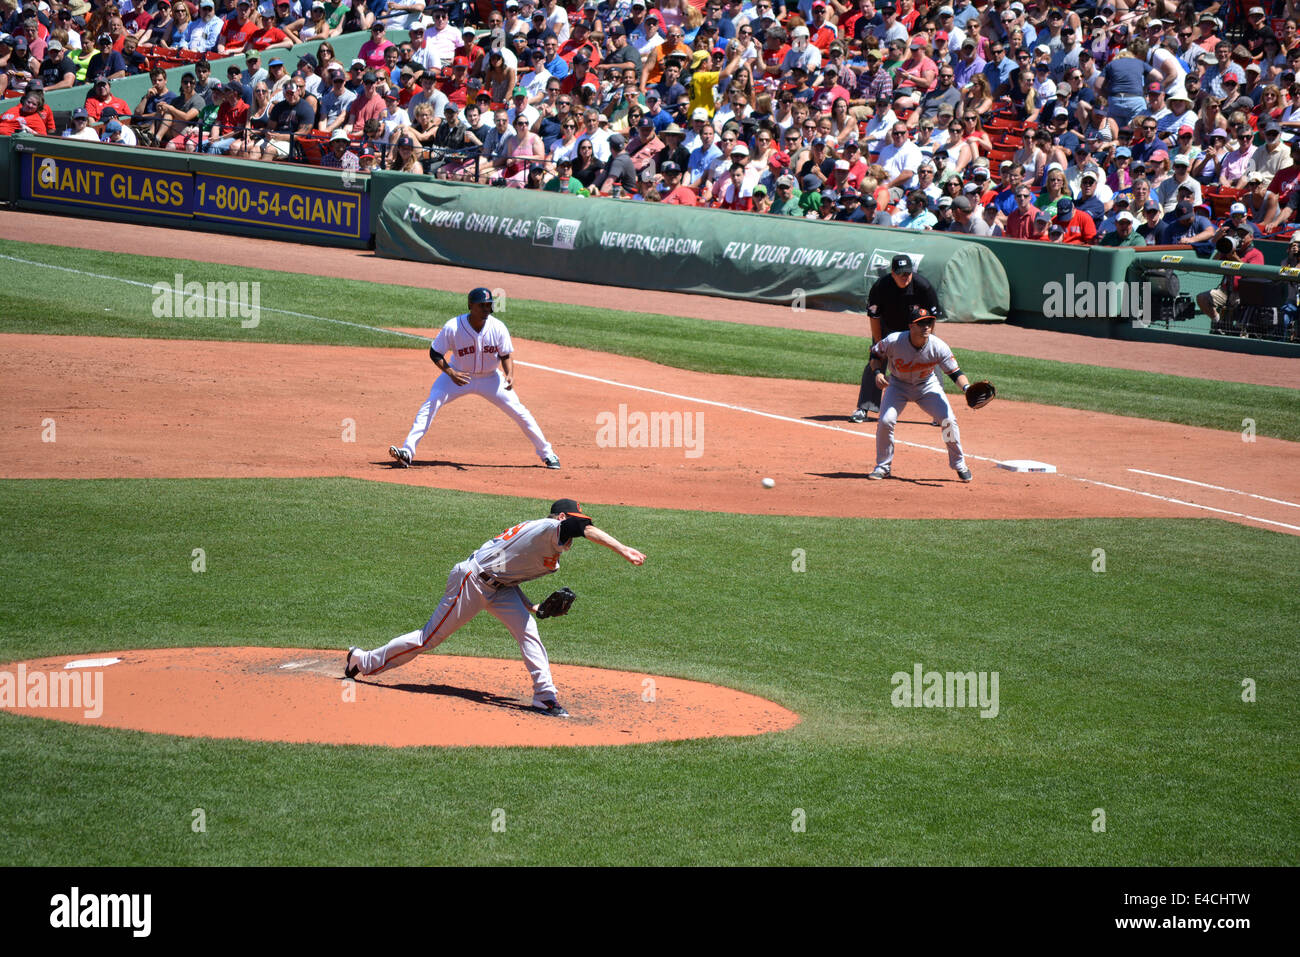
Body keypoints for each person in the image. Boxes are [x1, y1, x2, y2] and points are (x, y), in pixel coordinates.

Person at [344, 497, 646, 718]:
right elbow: (580, 526)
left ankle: (545, 697)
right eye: (573, 519)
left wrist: (532, 606)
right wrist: (622, 549)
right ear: (561, 518)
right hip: (471, 581)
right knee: (429, 638)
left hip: (498, 586)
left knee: (529, 631)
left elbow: (509, 574)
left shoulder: (548, 547)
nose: (576, 533)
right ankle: (362, 661)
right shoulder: (547, 529)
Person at [388, 288, 560, 471]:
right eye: (482, 305)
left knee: (520, 412)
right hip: (458, 376)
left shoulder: (498, 327)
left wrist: (509, 374)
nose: (486, 309)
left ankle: (547, 453)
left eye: (489, 305)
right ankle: (407, 452)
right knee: (431, 404)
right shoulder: (453, 327)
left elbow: (506, 354)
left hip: (491, 379)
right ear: (471, 305)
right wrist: (450, 373)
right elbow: (435, 353)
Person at [865, 305, 975, 483]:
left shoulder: (938, 346)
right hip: (898, 385)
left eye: (929, 322)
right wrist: (877, 373)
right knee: (885, 421)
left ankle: (959, 463)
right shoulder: (894, 341)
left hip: (927, 386)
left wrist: (967, 388)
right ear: (911, 326)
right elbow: (875, 354)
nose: (926, 327)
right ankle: (883, 467)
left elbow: (955, 373)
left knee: (948, 421)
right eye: (921, 323)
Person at [851, 254, 943, 423]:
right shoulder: (881, 287)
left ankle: (940, 413)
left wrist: (926, 340)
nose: (904, 277)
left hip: (918, 327)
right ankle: (864, 408)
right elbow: (874, 317)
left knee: (931, 359)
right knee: (876, 359)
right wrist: (879, 345)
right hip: (888, 327)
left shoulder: (923, 287)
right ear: (892, 273)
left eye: (907, 273)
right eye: (900, 273)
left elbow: (932, 318)